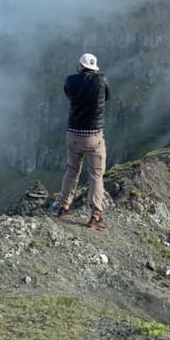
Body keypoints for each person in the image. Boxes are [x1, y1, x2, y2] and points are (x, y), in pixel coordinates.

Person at [49, 52, 110, 229]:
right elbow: (105, 97)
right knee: (96, 175)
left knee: (72, 170)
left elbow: (69, 95)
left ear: (80, 66)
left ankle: (63, 206)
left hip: (73, 134)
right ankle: (95, 215)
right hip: (93, 137)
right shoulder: (102, 80)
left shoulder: (70, 80)